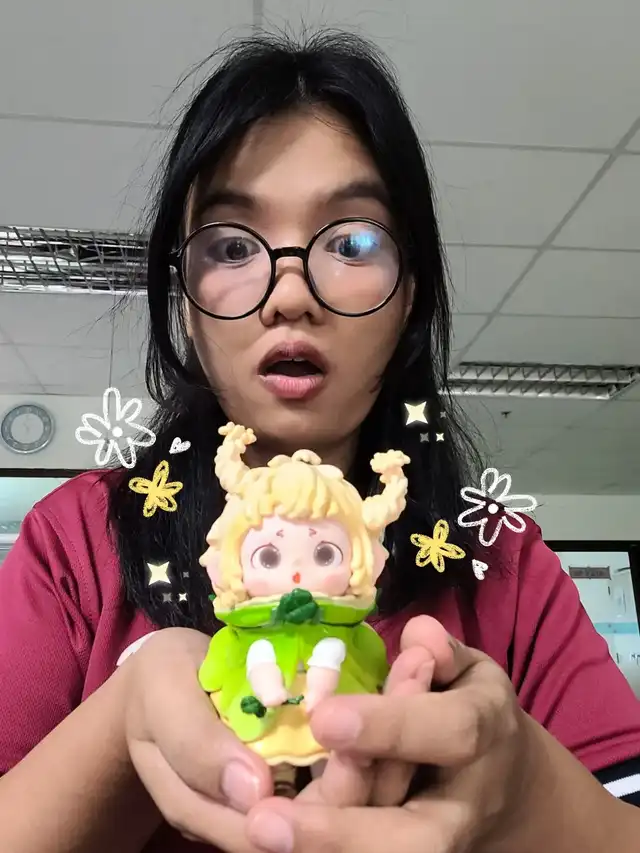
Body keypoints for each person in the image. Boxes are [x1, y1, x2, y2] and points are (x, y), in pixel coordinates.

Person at [0, 30, 639, 853]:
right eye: (233, 246)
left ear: (410, 294)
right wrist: (123, 724)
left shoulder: (500, 561)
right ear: (186, 300)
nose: (290, 293)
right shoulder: (80, 538)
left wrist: (525, 794)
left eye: (352, 243)